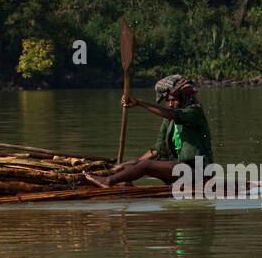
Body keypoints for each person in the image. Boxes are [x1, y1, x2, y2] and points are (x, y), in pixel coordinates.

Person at [84, 74, 212, 188]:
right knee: (132, 164)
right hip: (177, 166)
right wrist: (133, 165)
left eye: (174, 100)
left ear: (184, 98)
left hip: (196, 170)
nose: (171, 104)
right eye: (168, 100)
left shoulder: (194, 111)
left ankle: (108, 181)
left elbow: (173, 114)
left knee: (145, 166)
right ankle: (113, 177)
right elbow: (157, 149)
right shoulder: (168, 121)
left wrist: (139, 103)